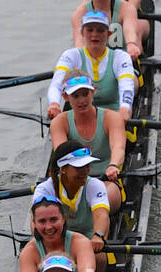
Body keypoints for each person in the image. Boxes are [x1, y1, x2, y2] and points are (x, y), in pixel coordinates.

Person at [48, 74, 125, 212]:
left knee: (100, 198)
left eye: (85, 94)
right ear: (65, 97)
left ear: (93, 92)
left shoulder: (112, 118)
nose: (81, 100)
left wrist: (113, 165)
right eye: (75, 96)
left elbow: (118, 147)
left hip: (106, 179)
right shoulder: (59, 122)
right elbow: (62, 155)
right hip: (73, 181)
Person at [33, 142, 110, 272]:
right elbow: (35, 222)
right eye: (79, 167)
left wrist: (98, 236)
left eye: (87, 165)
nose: (86, 171)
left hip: (88, 237)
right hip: (56, 237)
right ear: (63, 169)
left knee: (99, 258)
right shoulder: (45, 189)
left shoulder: (95, 185)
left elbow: (101, 215)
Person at [47, 10, 135, 124]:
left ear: (108, 34)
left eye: (100, 30)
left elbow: (126, 85)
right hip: (79, 117)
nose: (94, 34)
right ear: (82, 33)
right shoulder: (71, 56)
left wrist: (125, 108)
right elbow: (56, 84)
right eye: (89, 30)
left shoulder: (120, 57)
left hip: (113, 118)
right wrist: (54, 104)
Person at [18, 191, 98, 272]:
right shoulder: (28, 252)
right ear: (34, 223)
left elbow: (87, 271)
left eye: (53, 220)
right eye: (42, 221)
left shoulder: (80, 242)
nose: (49, 227)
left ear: (63, 219)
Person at [71, 0, 146, 59]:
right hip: (94, 64)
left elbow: (130, 30)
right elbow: (79, 43)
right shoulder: (79, 14)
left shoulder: (126, 9)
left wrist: (131, 44)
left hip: (122, 63)